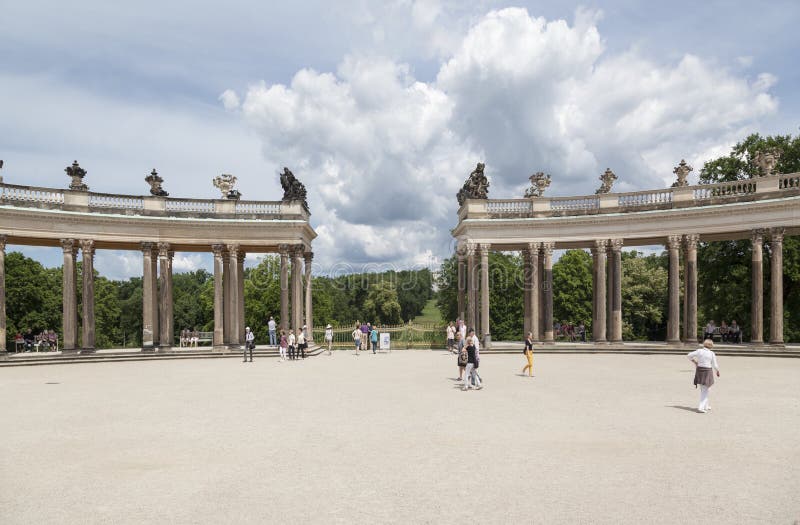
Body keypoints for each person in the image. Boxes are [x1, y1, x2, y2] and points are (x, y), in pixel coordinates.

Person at [687, 339, 720, 413]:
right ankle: (701, 407)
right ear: (711, 345)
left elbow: (689, 355)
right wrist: (717, 371)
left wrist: (695, 362)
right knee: (705, 390)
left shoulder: (699, 351)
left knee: (704, 389)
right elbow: (715, 365)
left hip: (699, 370)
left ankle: (706, 405)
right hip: (707, 371)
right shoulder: (711, 353)